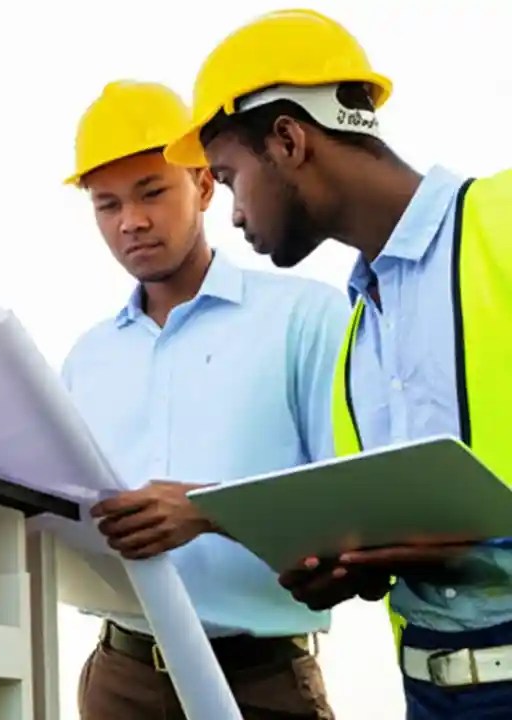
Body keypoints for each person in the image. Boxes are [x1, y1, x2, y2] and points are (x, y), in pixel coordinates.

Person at [162, 8, 512, 718]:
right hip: (434, 691)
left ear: (288, 140)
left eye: (228, 178)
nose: (230, 214)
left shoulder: (502, 219)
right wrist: (345, 570)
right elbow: (393, 539)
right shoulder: (357, 336)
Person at [61, 79, 349, 720]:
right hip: (120, 680)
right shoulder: (86, 359)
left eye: (152, 192)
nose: (130, 221)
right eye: (106, 205)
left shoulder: (306, 319)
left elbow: (351, 503)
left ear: (205, 185)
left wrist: (209, 509)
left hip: (262, 683)